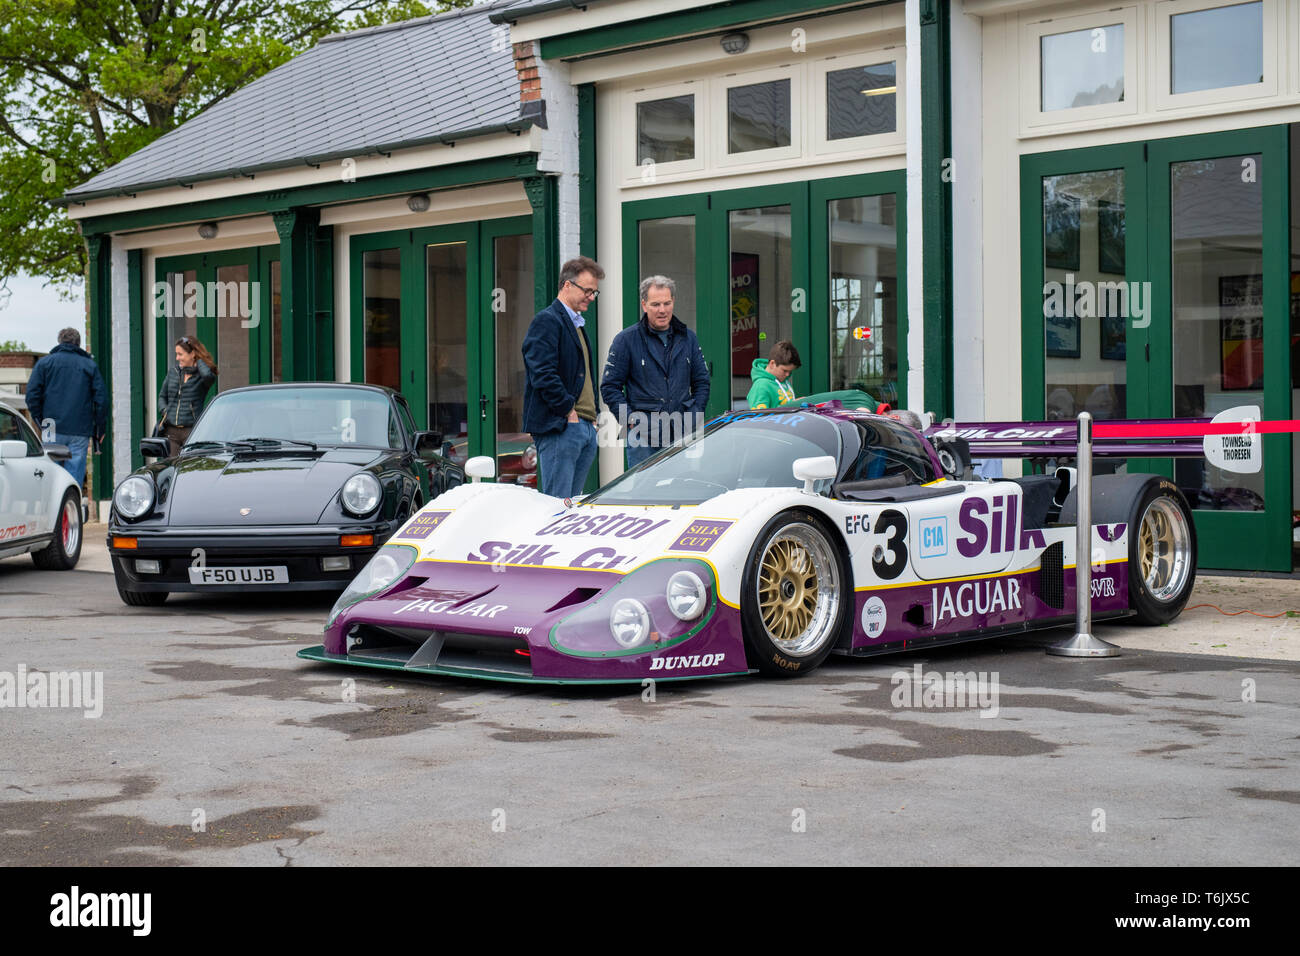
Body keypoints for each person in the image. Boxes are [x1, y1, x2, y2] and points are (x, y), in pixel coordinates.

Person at [600, 275, 710, 469]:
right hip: (642, 436)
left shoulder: (688, 338)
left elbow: (702, 382)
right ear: (644, 305)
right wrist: (631, 420)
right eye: (655, 304)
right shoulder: (626, 340)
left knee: (684, 490)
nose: (662, 310)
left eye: (667, 303)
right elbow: (610, 387)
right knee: (644, 495)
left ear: (673, 302)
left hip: (683, 432)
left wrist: (695, 415)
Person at [522, 256, 603, 498]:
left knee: (571, 504)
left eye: (594, 293)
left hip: (584, 426)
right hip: (562, 426)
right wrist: (569, 411)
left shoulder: (576, 324)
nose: (591, 297)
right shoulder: (547, 321)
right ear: (567, 285)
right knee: (558, 505)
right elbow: (542, 373)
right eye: (587, 290)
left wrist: (593, 419)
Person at [24, 327, 107, 487]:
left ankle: (53, 510)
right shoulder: (89, 366)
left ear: (60, 342)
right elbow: (101, 400)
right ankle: (70, 509)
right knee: (73, 479)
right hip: (80, 428)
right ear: (79, 343)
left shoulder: (44, 363)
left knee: (51, 478)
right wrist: (99, 429)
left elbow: (31, 396)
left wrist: (41, 421)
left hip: (51, 426)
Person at [157, 336, 218, 455]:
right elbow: (162, 397)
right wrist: (165, 411)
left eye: (180, 354)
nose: (177, 358)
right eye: (176, 354)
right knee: (172, 466)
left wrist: (199, 359)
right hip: (171, 432)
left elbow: (208, 376)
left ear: (192, 354)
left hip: (191, 432)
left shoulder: (201, 377)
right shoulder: (173, 372)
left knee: (189, 466)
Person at [747, 340, 801, 409]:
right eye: (785, 370)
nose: (787, 374)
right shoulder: (760, 386)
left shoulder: (783, 381)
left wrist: (796, 404)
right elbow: (760, 417)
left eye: (790, 371)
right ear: (772, 364)